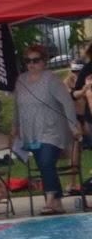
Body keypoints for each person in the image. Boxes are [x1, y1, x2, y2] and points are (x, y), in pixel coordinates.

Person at [13, 44, 80, 215]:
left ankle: (49, 201)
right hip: (31, 131)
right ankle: (57, 202)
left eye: (36, 60)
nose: (31, 64)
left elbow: (67, 103)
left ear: (44, 62)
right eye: (28, 61)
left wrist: (73, 126)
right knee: (44, 166)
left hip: (52, 130)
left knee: (46, 163)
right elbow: (16, 105)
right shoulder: (21, 80)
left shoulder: (52, 80)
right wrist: (15, 126)